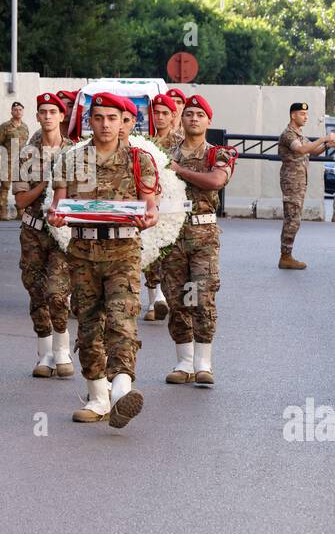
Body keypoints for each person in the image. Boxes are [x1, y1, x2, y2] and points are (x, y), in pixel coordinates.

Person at [49, 93, 159, 428]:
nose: (106, 124)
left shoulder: (140, 160)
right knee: (87, 326)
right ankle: (98, 397)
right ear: (89, 121)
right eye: (98, 118)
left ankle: (122, 391)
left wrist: (147, 219)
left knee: (121, 319)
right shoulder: (71, 160)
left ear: (124, 121)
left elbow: (150, 208)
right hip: (82, 252)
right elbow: (58, 204)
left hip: (123, 252)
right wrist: (56, 216)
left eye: (113, 118)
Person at [163, 95, 233, 386]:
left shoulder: (218, 154)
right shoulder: (165, 152)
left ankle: (204, 363)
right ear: (182, 118)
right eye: (189, 113)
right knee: (176, 298)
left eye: (199, 115)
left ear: (208, 121)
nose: (193, 118)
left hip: (202, 234)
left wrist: (180, 172)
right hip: (172, 233)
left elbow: (217, 181)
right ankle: (184, 362)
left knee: (201, 297)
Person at [13, 92, 72, 378]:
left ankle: (62, 351)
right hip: (33, 232)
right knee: (36, 291)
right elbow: (21, 201)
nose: (48, 116)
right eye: (43, 112)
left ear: (62, 117)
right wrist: (47, 184)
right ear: (37, 117)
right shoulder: (26, 153)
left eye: (53, 112)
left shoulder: (76, 151)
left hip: (62, 233)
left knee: (57, 293)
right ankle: (44, 354)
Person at [277, 102, 335, 269]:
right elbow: (302, 150)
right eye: (302, 114)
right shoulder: (288, 134)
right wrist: (324, 137)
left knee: (294, 218)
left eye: (306, 114)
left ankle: (287, 255)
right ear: (293, 115)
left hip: (299, 181)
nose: (306, 117)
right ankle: (285, 256)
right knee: (292, 218)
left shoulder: (299, 134)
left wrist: (327, 145)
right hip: (291, 182)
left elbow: (314, 151)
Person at [142, 92, 180, 320]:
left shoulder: (179, 143)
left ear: (173, 116)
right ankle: (153, 302)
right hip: (151, 204)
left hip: (174, 207)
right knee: (150, 253)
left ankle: (172, 299)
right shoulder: (144, 142)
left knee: (172, 256)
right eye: (156, 113)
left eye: (165, 113)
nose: (160, 117)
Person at [0, 101, 29, 221]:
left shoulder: (24, 127)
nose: (18, 111)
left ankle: (21, 211)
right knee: (5, 186)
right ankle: (3, 211)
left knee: (21, 187)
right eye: (15, 110)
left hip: (21, 163)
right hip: (7, 161)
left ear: (22, 112)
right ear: (11, 111)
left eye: (20, 109)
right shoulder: (5, 126)